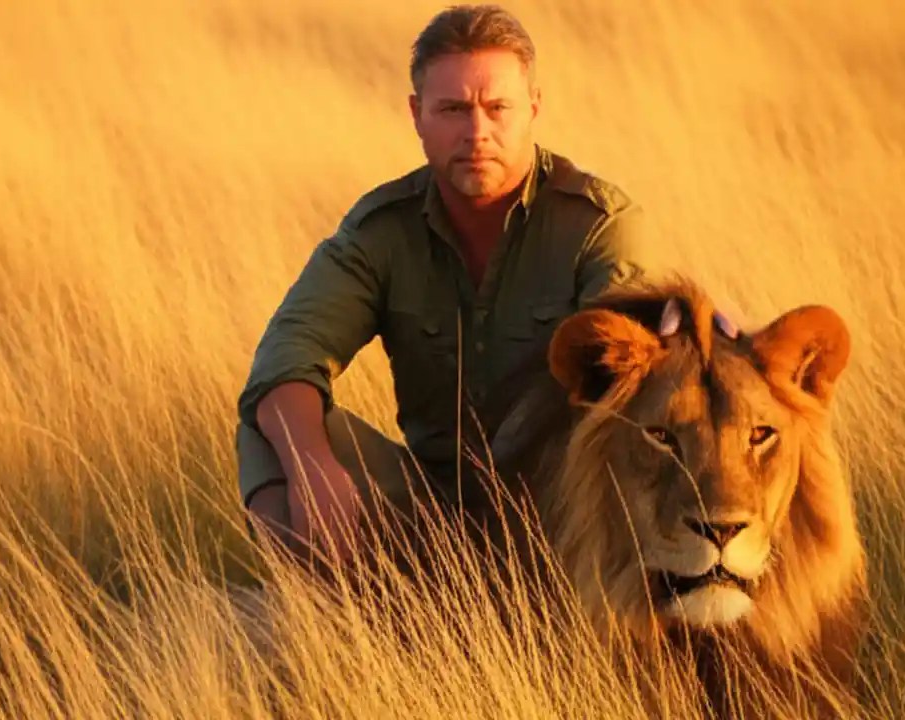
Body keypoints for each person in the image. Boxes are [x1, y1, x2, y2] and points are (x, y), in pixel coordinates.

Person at [234, 4, 654, 566]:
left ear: (533, 107)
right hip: (434, 506)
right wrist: (314, 468)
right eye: (453, 109)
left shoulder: (598, 223)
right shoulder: (381, 230)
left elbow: (636, 370)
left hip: (563, 516)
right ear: (417, 114)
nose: (477, 132)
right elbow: (287, 359)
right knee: (273, 428)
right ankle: (356, 621)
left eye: (497, 107)